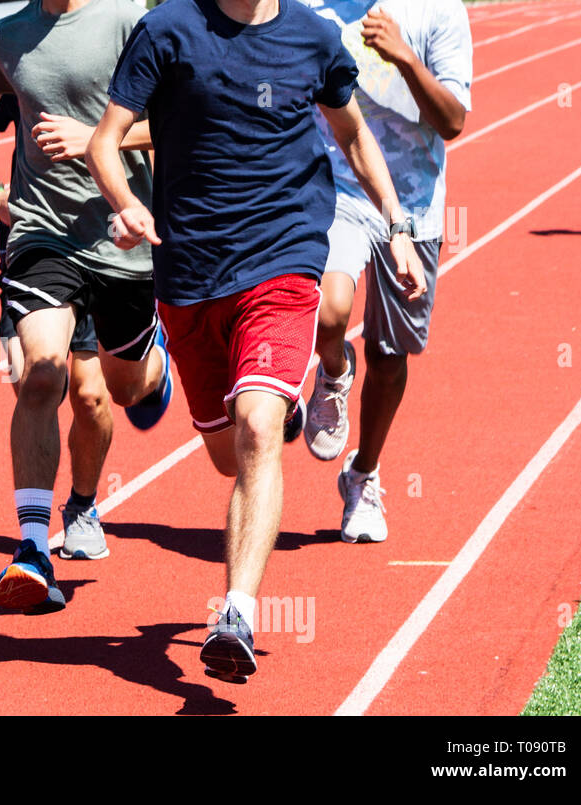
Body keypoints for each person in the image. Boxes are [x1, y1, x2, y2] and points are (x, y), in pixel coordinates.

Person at [88, 0, 425, 681]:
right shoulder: (169, 30)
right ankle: (277, 399)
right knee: (226, 455)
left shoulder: (314, 37)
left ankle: (235, 612)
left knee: (256, 425)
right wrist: (127, 203)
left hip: (284, 259)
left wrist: (398, 227)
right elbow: (106, 139)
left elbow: (355, 136)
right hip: (189, 276)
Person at [0, 0, 173, 615]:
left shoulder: (130, 21)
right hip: (40, 232)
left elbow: (179, 116)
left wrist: (99, 138)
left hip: (122, 235)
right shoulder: (8, 35)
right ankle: (31, 547)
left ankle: (84, 498)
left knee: (108, 394)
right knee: (43, 374)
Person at [300, 0, 472, 545]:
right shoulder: (315, 8)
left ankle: (363, 473)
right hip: (340, 192)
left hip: (414, 205)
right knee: (328, 315)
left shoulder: (440, 12)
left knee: (389, 356)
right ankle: (332, 371)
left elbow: (453, 121)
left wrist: (404, 58)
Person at [0, 94, 116, 563]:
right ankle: (34, 545)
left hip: (105, 247)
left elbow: (164, 129)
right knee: (36, 384)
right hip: (34, 249)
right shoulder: (15, 48)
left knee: (90, 396)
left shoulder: (123, 40)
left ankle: (81, 505)